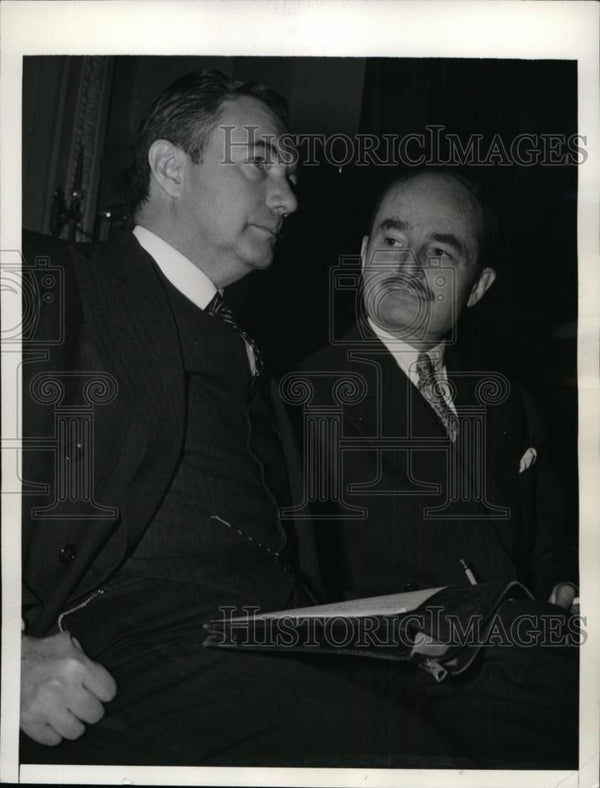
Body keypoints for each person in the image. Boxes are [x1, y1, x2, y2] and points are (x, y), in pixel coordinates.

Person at [19, 71, 461, 768]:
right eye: (261, 163)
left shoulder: (248, 348)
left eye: (288, 174)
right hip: (132, 654)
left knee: (511, 678)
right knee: (413, 760)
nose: (287, 198)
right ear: (171, 167)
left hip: (276, 642)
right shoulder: (45, 280)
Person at [285, 170, 579, 768]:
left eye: (440, 251)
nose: (408, 265)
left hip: (528, 661)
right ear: (365, 255)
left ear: (478, 286)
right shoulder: (297, 397)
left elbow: (552, 549)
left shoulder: (513, 406)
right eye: (392, 241)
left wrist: (564, 586)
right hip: (405, 686)